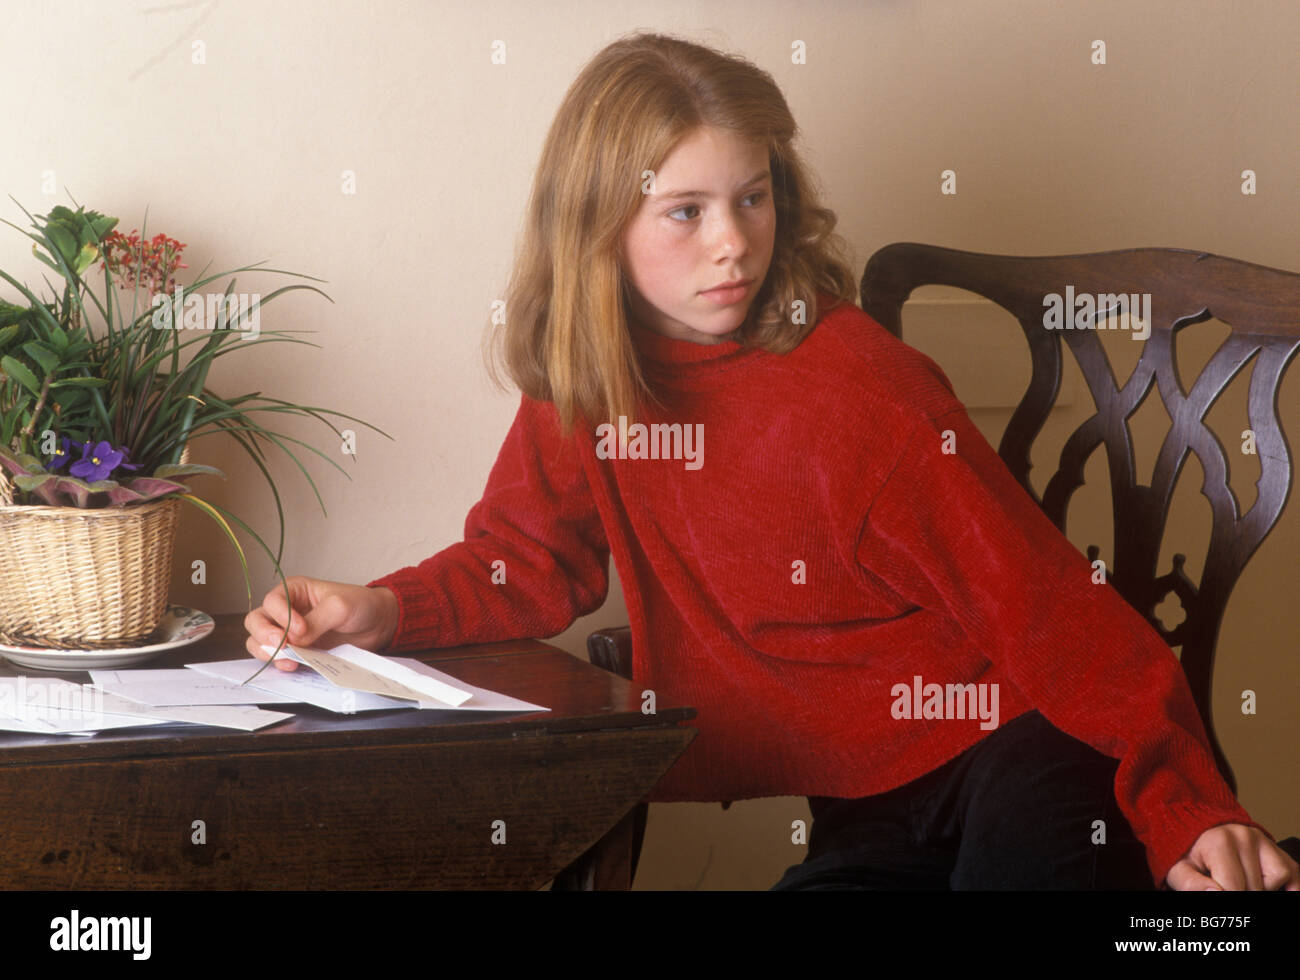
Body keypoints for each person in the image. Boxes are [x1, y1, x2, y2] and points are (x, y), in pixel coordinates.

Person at [243, 31, 1297, 891]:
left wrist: (1183, 807)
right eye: (686, 211)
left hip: (1026, 754)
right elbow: (528, 558)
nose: (733, 243)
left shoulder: (859, 389)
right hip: (868, 808)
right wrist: (374, 611)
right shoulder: (590, 379)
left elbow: (1052, 615)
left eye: (752, 197)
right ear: (596, 226)